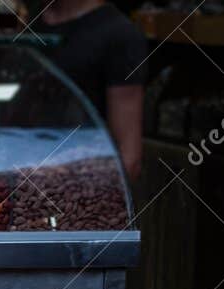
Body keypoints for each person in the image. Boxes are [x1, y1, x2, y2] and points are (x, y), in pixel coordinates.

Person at [35, 0, 149, 180]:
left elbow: (129, 157)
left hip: (72, 181)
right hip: (16, 171)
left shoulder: (119, 34)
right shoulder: (25, 20)